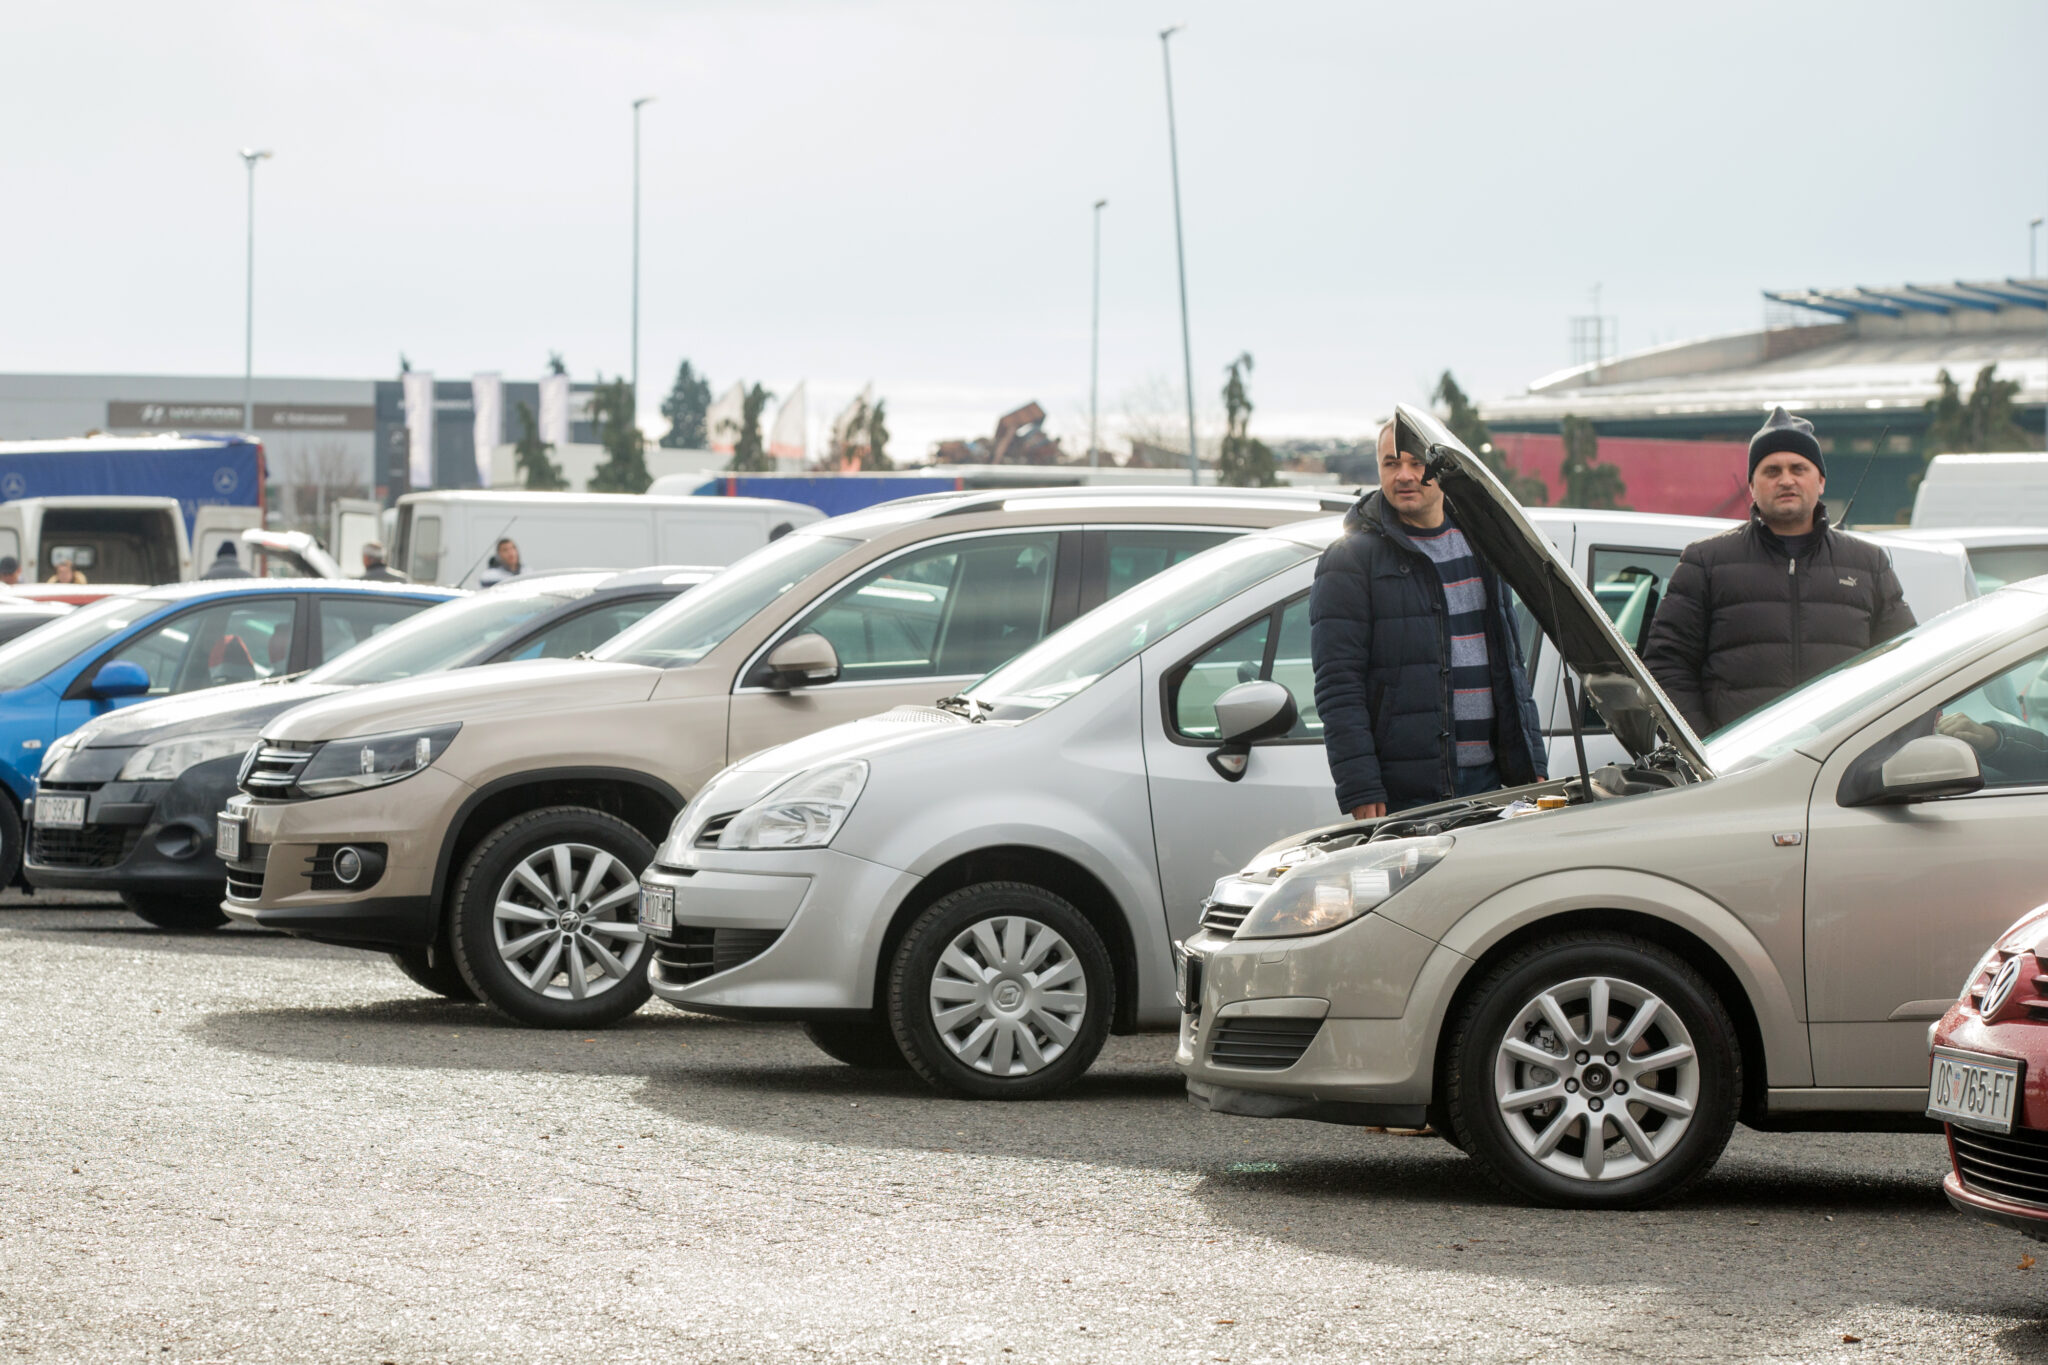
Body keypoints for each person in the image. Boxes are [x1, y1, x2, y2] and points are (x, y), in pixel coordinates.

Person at [1309, 418, 1548, 818]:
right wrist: (1361, 786)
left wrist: (1531, 761)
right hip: (1403, 793)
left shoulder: (1483, 543)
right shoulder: (1350, 558)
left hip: (1490, 783)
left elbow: (1511, 665)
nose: (1404, 475)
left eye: (1416, 463)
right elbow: (1338, 684)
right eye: (1391, 464)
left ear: (1441, 467)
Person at [1642, 406, 1915, 736]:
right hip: (1739, 763)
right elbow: (1666, 668)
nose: (1786, 480)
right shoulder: (1706, 562)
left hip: (1842, 760)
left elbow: (1906, 663)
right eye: (1772, 471)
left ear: (1821, 481)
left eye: (1799, 468)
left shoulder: (1868, 564)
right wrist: (1704, 749)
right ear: (1752, 486)